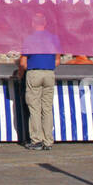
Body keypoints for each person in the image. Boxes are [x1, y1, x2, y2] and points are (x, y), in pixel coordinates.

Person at [17, 12, 58, 151]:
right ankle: (48, 141)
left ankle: (36, 140)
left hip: (34, 73)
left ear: (33, 24)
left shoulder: (29, 39)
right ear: (45, 24)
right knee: (47, 108)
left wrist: (21, 74)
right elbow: (57, 60)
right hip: (49, 73)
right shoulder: (54, 39)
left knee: (34, 108)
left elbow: (23, 63)